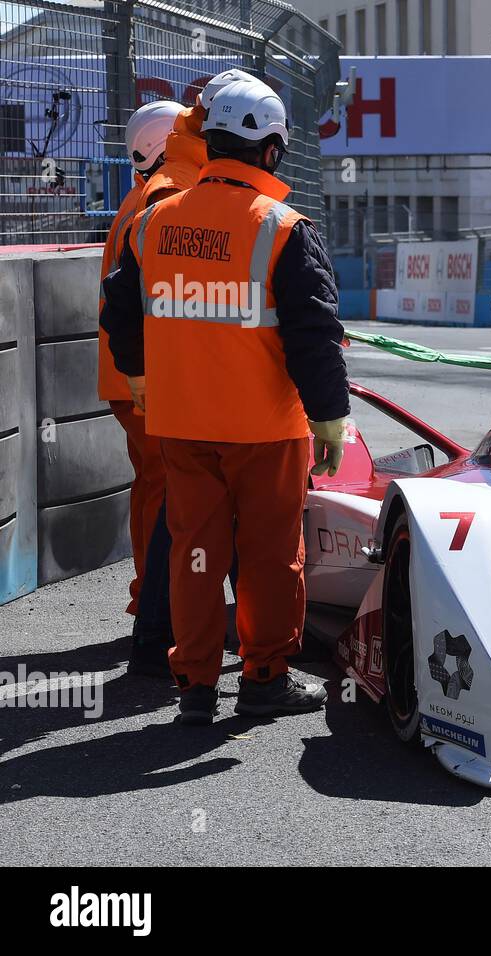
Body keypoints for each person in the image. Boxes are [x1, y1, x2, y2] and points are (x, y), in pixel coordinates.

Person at [102, 78, 350, 725]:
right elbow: (314, 334)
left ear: (209, 144)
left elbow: (119, 309)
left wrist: (136, 377)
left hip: (183, 427)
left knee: (194, 553)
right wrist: (331, 417)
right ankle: (265, 677)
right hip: (266, 431)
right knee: (269, 557)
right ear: (271, 151)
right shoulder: (284, 229)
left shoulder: (155, 221)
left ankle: (195, 686)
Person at [99, 72, 261, 678]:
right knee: (176, 499)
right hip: (152, 376)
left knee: (161, 492)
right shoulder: (169, 194)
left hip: (134, 372)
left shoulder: (150, 193)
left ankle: (155, 612)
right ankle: (160, 619)